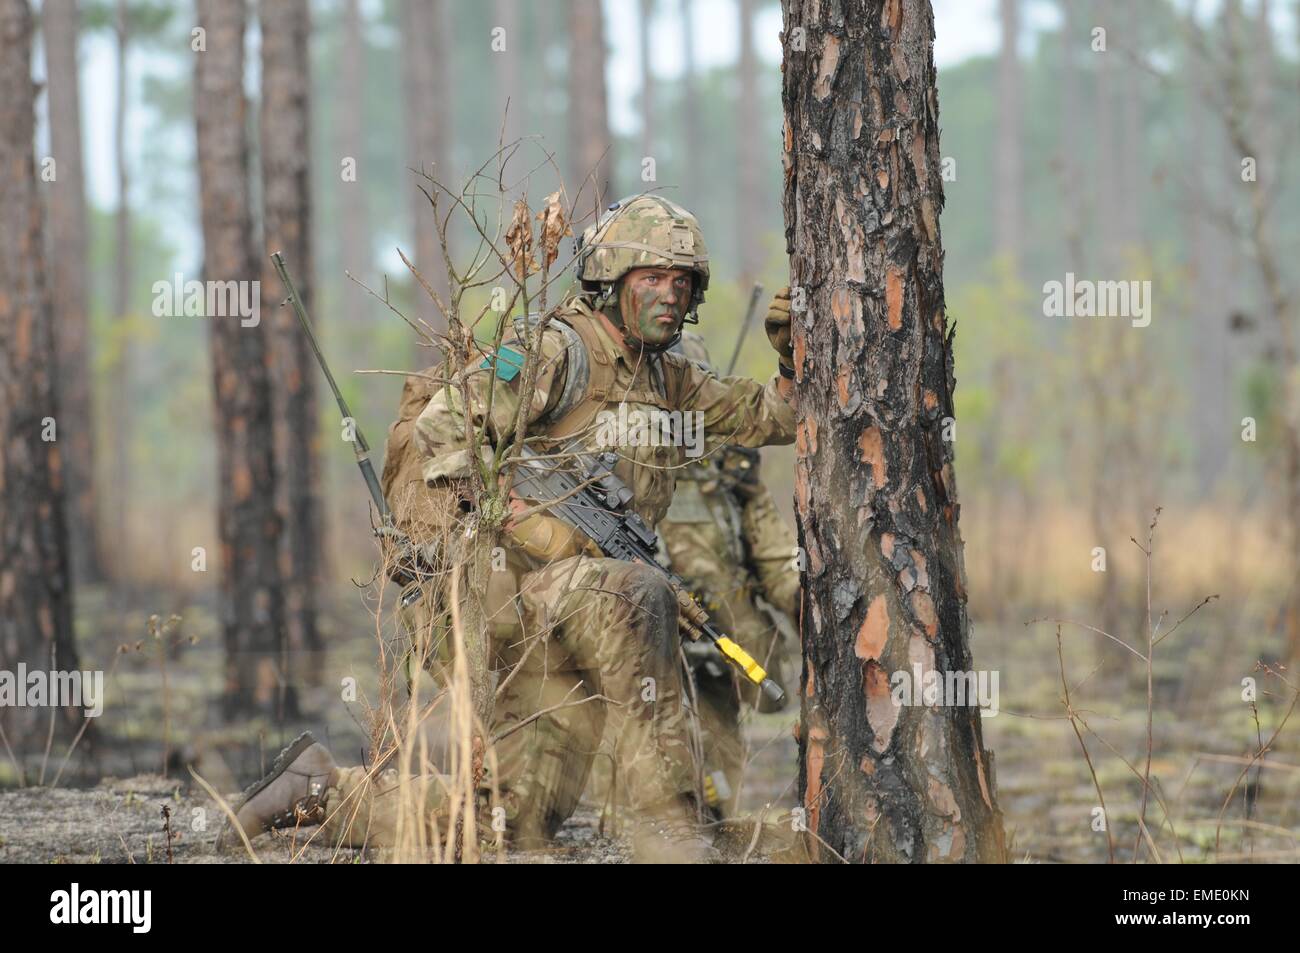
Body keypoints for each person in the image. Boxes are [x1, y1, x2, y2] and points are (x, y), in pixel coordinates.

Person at [221, 194, 798, 863]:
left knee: (505, 822)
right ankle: (670, 826)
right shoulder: (555, 350)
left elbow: (772, 419)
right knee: (641, 592)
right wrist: (526, 520)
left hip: (579, 614)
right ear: (610, 279)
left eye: (681, 282)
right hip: (520, 597)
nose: (669, 295)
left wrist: (792, 359)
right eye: (651, 279)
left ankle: (316, 787)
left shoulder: (668, 378)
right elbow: (445, 429)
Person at [660, 331, 799, 819]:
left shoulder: (732, 473)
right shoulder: (618, 468)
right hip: (644, 652)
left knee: (718, 795)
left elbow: (775, 553)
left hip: (721, 650)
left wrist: (804, 601)